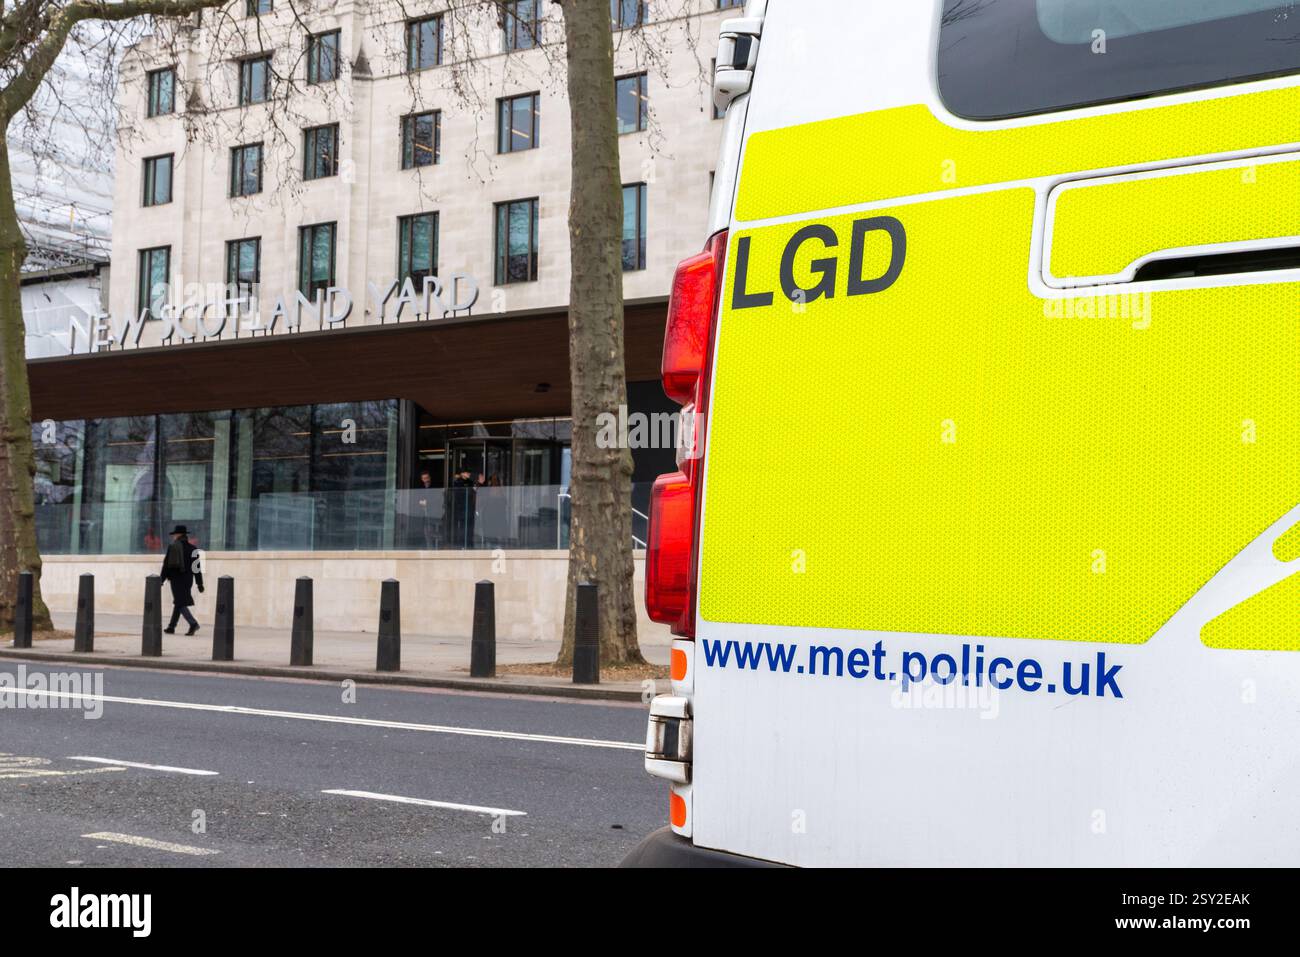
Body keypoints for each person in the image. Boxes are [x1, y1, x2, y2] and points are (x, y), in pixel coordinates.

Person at [160, 524, 205, 635]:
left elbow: (166, 565)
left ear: (179, 535)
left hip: (176, 580)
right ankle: (171, 626)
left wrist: (161, 580)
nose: (173, 537)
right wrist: (199, 583)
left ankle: (193, 623)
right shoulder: (193, 549)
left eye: (175, 534)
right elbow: (197, 568)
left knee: (180, 602)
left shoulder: (173, 547)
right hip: (188, 580)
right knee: (179, 602)